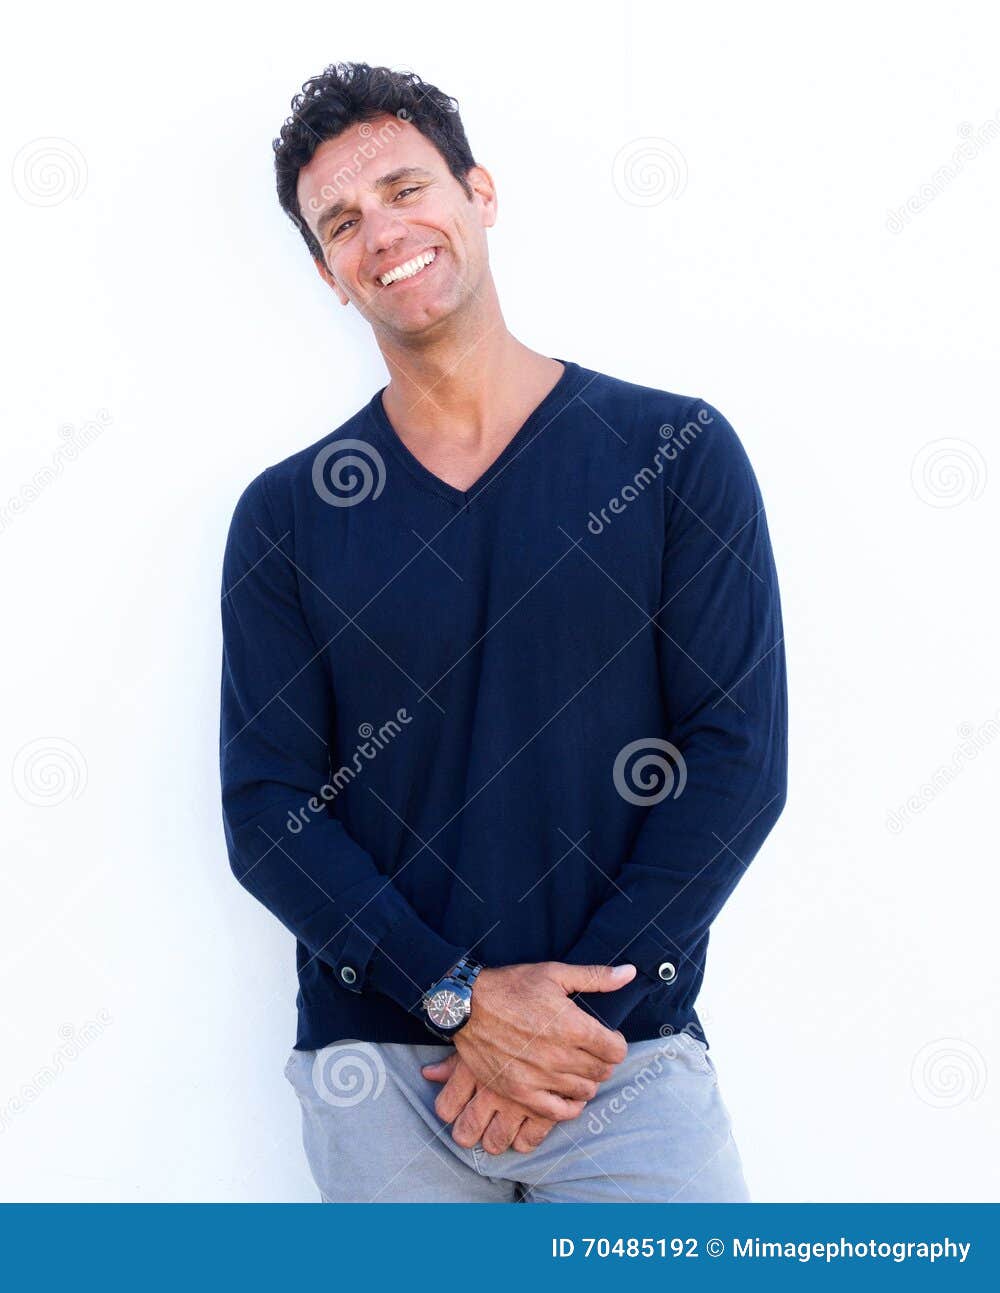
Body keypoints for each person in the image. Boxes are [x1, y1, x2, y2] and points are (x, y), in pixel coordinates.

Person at [217, 63, 787, 1202]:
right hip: (381, 1079)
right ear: (328, 274)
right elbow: (269, 814)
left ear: (479, 192)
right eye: (342, 222)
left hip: (621, 1060)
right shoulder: (286, 515)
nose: (383, 231)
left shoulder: (674, 453)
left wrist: (566, 1025)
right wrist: (455, 1001)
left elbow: (736, 761)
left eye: (405, 187)